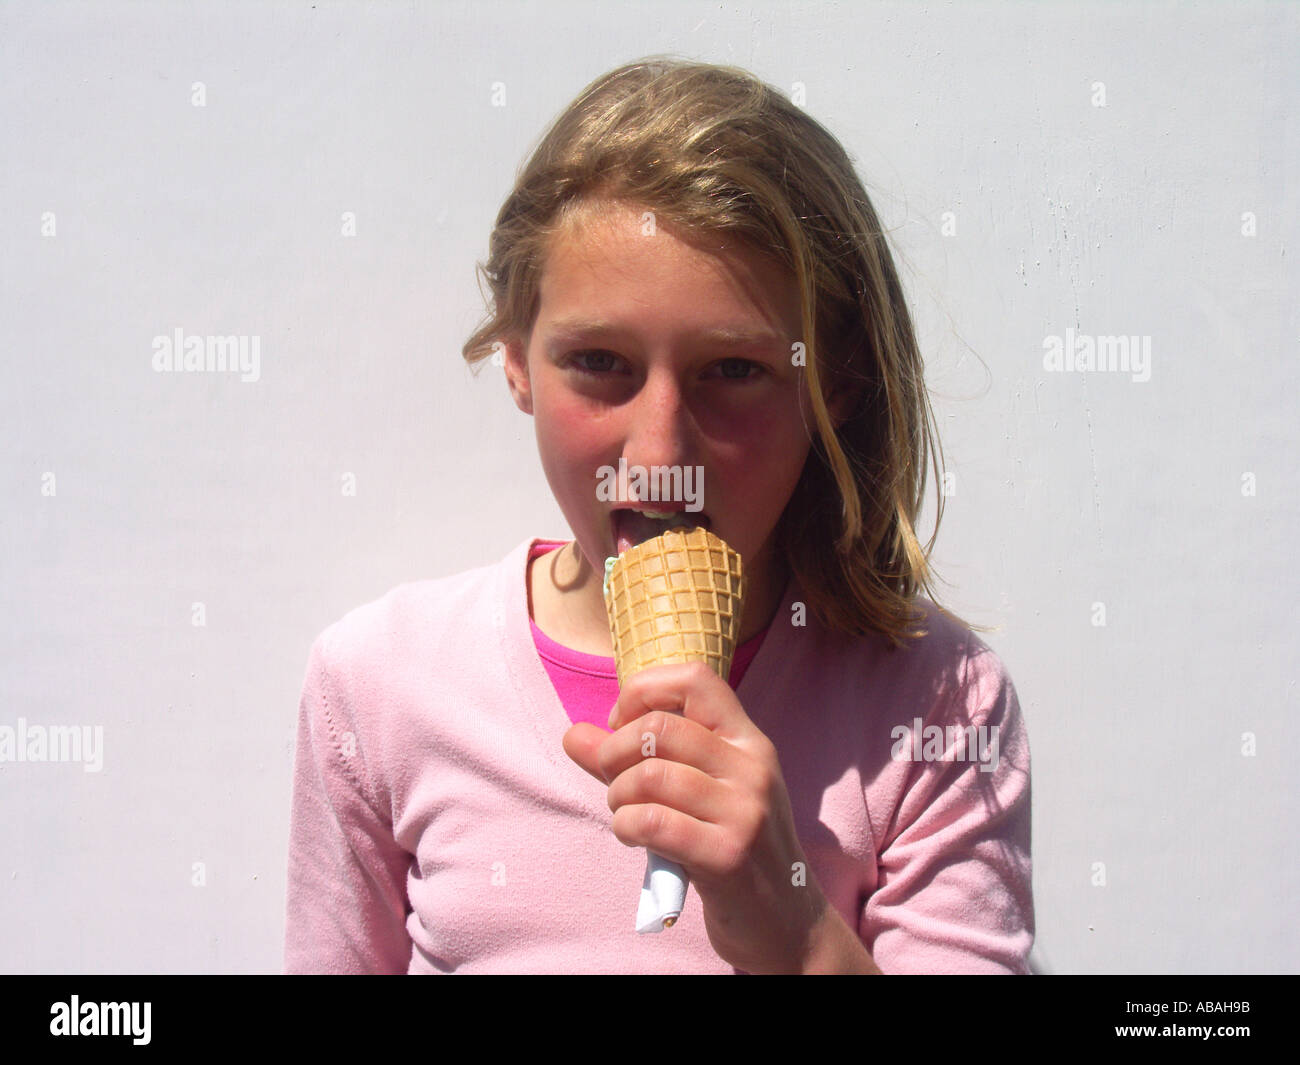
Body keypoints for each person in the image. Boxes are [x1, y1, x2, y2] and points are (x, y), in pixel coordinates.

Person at [284, 56, 1033, 974]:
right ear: (517, 359)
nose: (660, 454)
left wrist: (797, 936)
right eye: (600, 362)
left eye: (733, 370)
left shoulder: (938, 703)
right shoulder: (377, 685)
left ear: (833, 383)